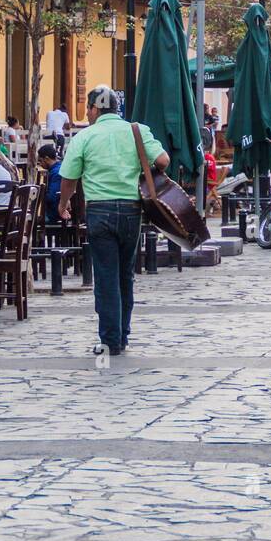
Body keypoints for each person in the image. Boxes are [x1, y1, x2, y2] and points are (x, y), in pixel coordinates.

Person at [58, 85, 169, 357]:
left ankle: (110, 341)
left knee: (106, 276)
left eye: (88, 108)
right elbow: (164, 160)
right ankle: (123, 334)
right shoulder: (137, 130)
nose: (87, 113)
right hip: (132, 211)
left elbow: (69, 178)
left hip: (100, 212)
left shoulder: (85, 137)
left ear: (95, 109)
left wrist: (63, 205)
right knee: (124, 275)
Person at [37, 143, 63, 223]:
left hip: (54, 215)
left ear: (47, 158)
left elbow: (52, 197)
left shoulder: (56, 172)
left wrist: (39, 195)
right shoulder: (59, 168)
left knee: (28, 221)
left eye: (41, 161)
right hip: (57, 212)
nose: (40, 165)